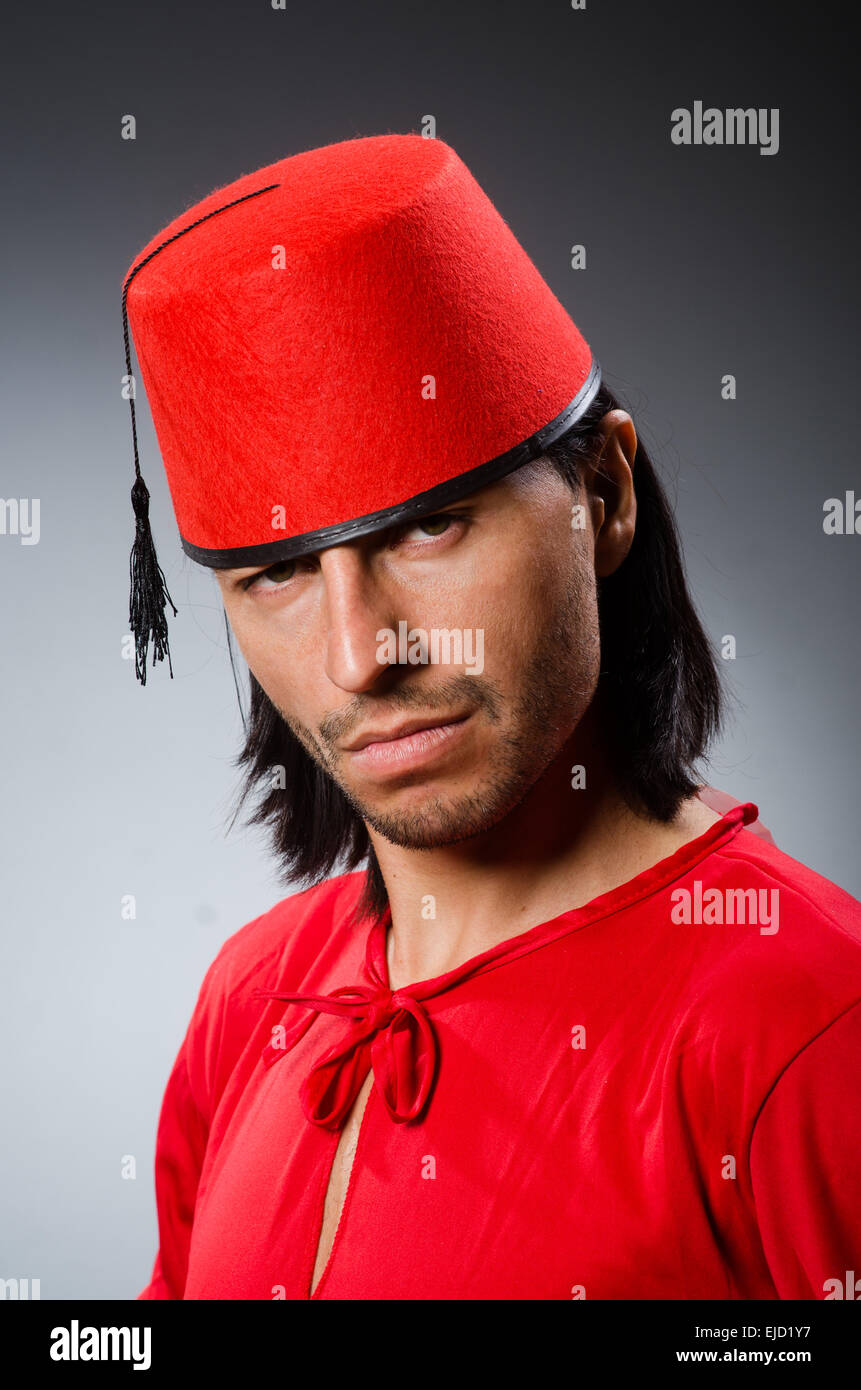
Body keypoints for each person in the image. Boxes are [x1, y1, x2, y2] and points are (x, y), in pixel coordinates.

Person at [124, 133, 861, 1300]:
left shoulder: (812, 1024)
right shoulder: (253, 997)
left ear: (603, 497)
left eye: (428, 527)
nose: (361, 656)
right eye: (278, 575)